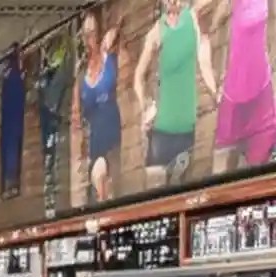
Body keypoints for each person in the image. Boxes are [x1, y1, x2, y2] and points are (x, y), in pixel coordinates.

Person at [134, 0, 218, 188]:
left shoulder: (192, 18)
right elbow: (138, 76)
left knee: (183, 192)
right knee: (155, 199)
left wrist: (215, 93)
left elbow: (204, 64)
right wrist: (145, 105)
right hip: (161, 128)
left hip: (186, 127)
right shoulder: (157, 32)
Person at [207, 0, 276, 172]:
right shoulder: (230, 2)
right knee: (222, 172)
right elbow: (209, 35)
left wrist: (271, 61)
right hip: (234, 98)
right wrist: (215, 78)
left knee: (259, 174)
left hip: (262, 93)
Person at [75, 9, 122, 203]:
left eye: (92, 32)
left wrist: (114, 31)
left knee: (109, 185)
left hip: (113, 132)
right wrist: (82, 150)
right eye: (86, 34)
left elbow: (119, 26)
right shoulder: (81, 74)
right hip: (95, 139)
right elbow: (78, 116)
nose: (89, 38)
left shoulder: (109, 56)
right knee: (99, 185)